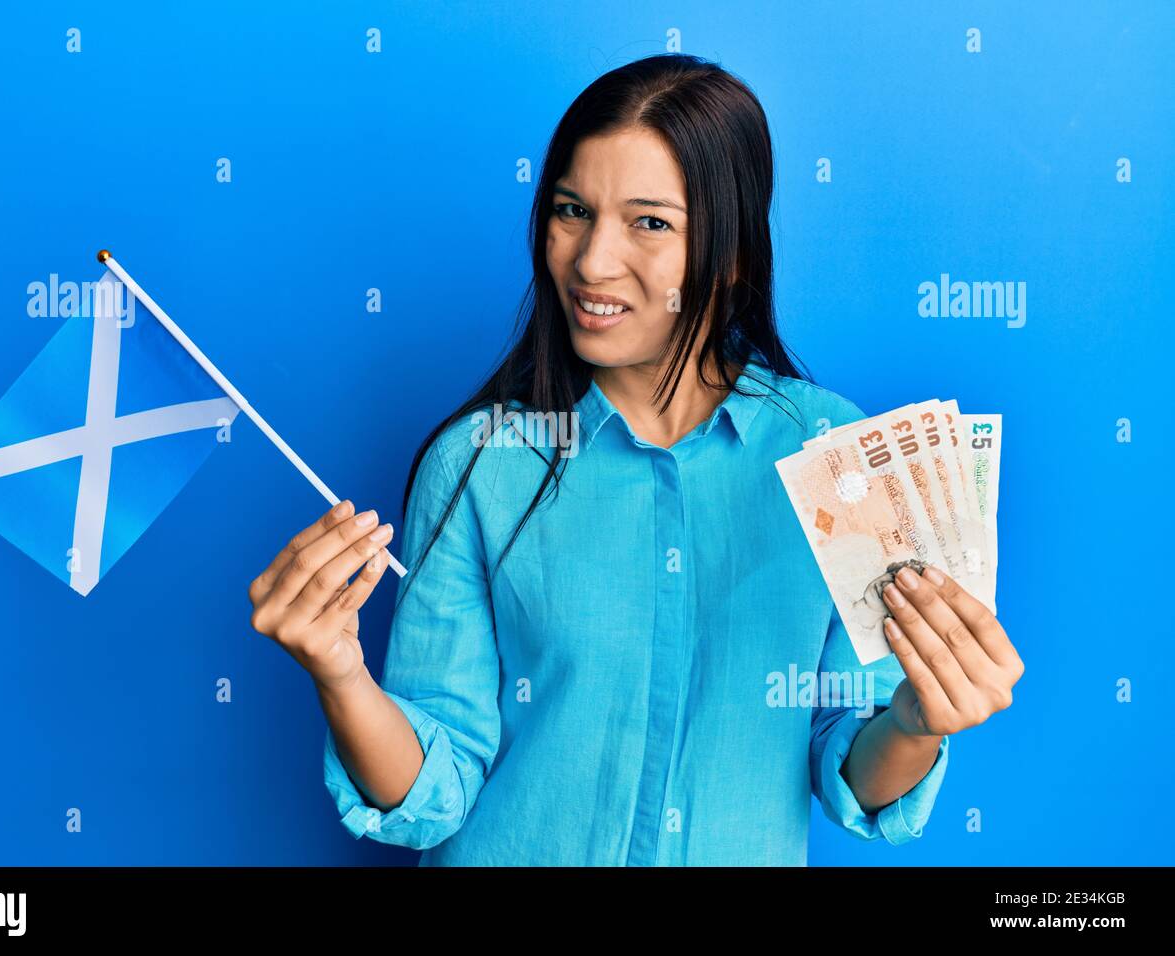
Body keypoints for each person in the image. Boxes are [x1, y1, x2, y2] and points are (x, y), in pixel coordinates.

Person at [247, 53, 1024, 865]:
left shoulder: (838, 455)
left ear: (730, 256)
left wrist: (913, 722)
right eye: (572, 211)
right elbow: (435, 792)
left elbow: (850, 772)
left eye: (650, 222)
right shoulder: (479, 463)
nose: (590, 262)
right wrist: (340, 673)